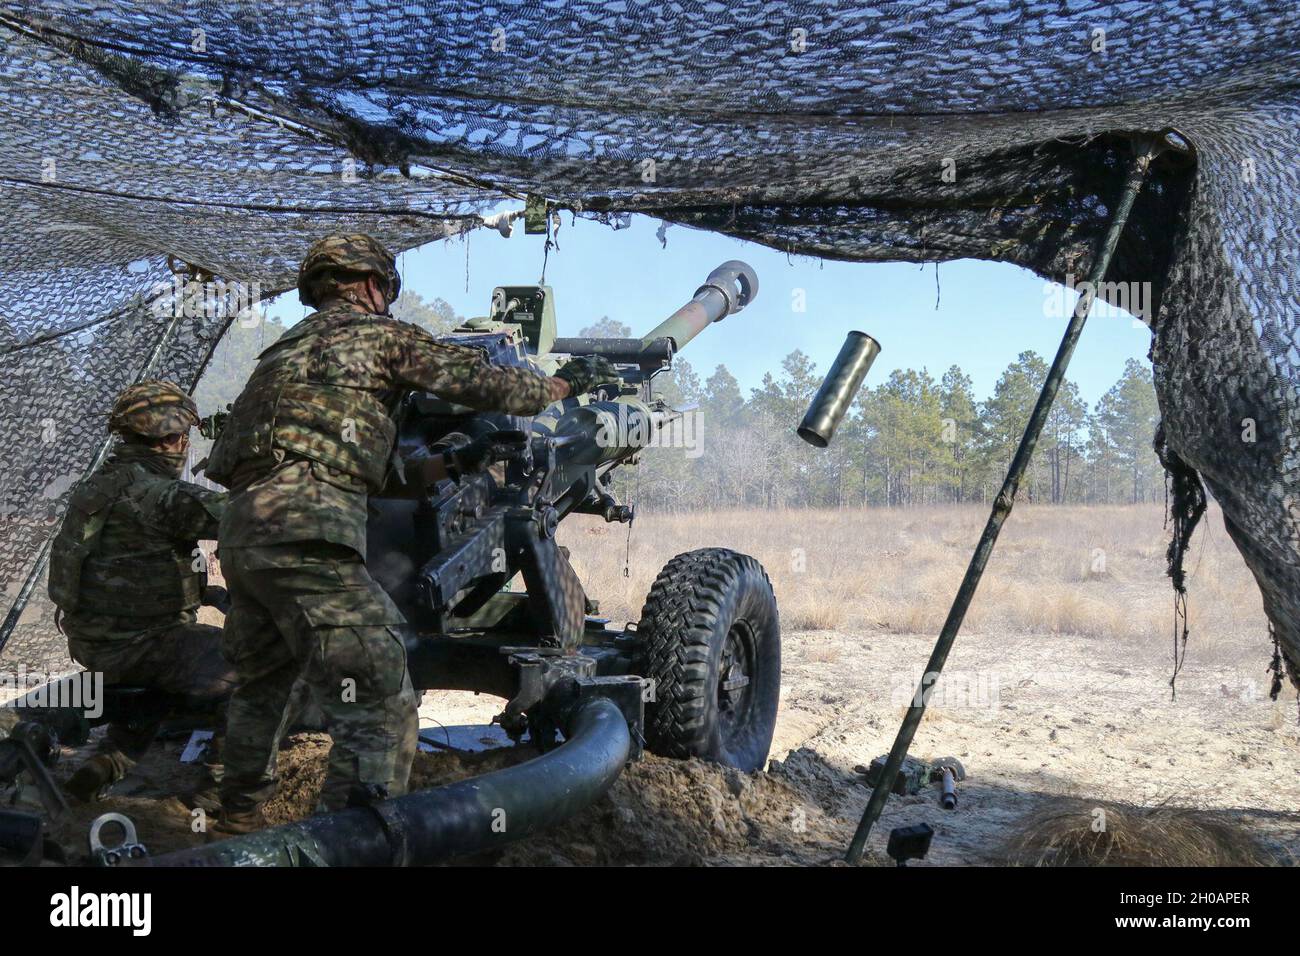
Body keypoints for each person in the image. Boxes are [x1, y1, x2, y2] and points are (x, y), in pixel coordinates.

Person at [205, 232, 614, 832]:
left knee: (263, 686)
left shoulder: (280, 356)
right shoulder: (377, 336)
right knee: (380, 702)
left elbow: (366, 469)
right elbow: (486, 383)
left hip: (243, 539)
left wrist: (452, 462)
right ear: (374, 284)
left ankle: (236, 819)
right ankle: (347, 845)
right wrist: (562, 384)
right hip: (309, 537)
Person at [48, 381, 233, 801]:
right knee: (254, 668)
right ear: (172, 438)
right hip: (138, 646)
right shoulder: (161, 495)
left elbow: (131, 567)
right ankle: (223, 798)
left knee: (173, 660)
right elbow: (254, 520)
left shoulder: (100, 484)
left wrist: (208, 594)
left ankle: (103, 767)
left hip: (94, 641)